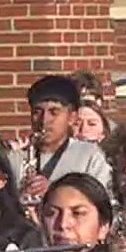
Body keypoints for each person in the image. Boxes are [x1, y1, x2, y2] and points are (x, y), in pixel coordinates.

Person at [18, 75, 114, 204]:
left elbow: (103, 204)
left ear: (72, 117)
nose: (44, 120)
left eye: (54, 112)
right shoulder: (16, 158)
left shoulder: (90, 156)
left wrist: (54, 191)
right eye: (37, 112)